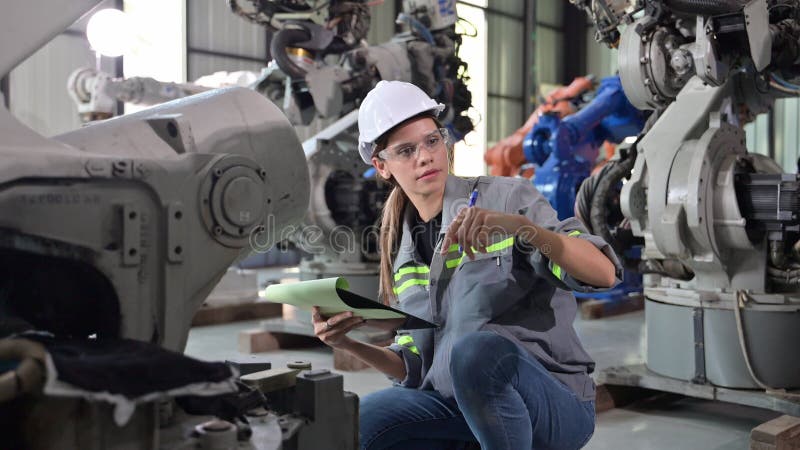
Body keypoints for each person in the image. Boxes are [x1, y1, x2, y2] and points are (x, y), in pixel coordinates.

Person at [310, 80, 622, 450]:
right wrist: (347, 342)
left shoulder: (506, 197)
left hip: (553, 404)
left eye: (431, 141)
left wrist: (525, 229)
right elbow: (413, 367)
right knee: (363, 422)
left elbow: (603, 273)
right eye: (406, 150)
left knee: (477, 353)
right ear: (382, 166)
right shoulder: (403, 248)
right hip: (461, 406)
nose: (425, 157)